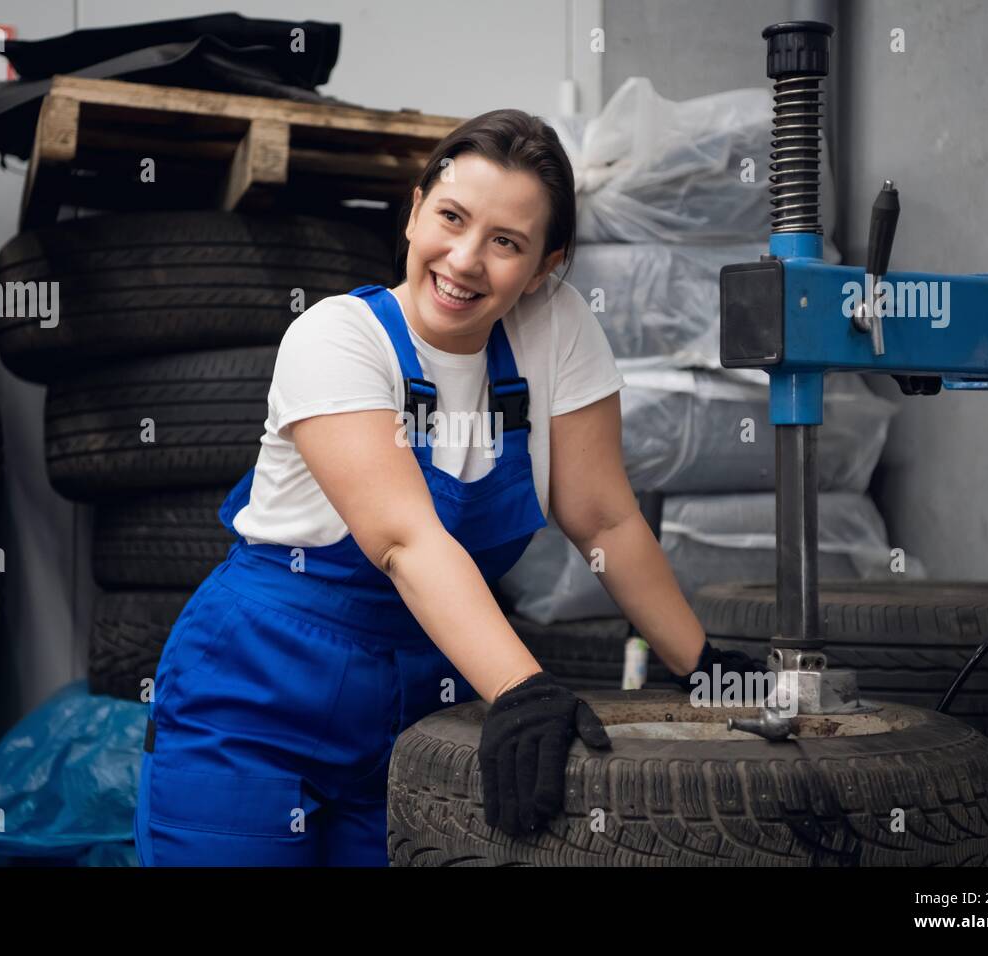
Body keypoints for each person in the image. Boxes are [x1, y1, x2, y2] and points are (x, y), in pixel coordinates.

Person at [134, 108, 765, 867]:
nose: (465, 259)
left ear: (544, 267)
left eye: (506, 242)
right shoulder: (337, 338)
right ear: (414, 211)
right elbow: (406, 539)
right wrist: (524, 688)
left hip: (424, 701)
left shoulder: (556, 330)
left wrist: (703, 666)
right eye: (452, 218)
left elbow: (603, 522)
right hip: (257, 690)